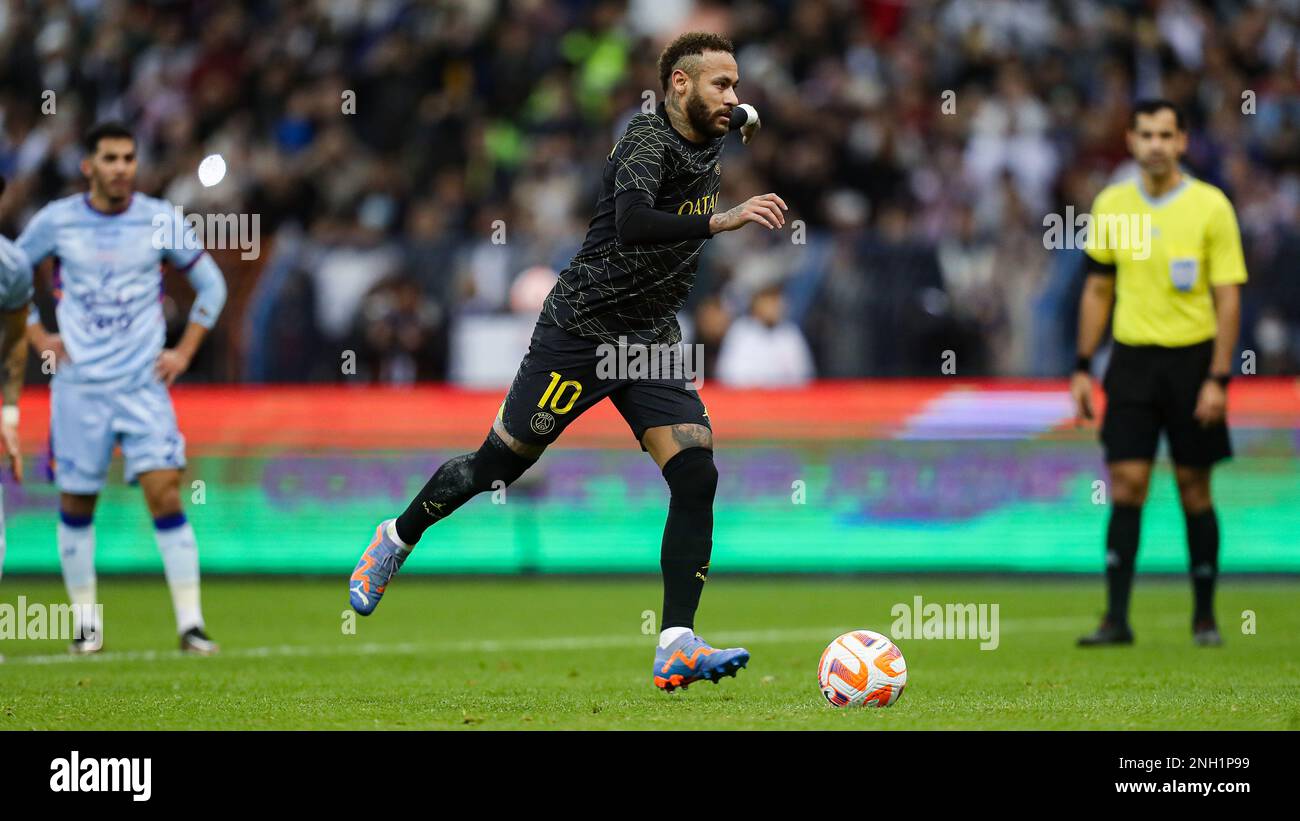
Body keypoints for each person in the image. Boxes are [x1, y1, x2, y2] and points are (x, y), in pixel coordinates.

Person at [349, 32, 785, 691]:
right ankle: (396, 537)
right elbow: (633, 221)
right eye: (721, 85)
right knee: (498, 466)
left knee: (696, 473)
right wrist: (718, 222)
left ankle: (676, 642)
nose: (734, 97)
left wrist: (746, 116)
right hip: (581, 331)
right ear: (679, 85)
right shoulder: (645, 140)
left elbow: (744, 114)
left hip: (647, 340)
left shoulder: (717, 124)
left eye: (737, 87)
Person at [18, 123, 228, 655]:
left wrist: (184, 352)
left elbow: (212, 285)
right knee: (77, 502)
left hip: (142, 386)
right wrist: (38, 335)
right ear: (88, 165)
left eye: (129, 158)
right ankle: (86, 626)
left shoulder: (160, 218)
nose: (120, 168)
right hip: (79, 388)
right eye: (110, 158)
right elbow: (9, 276)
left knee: (165, 492)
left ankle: (191, 625)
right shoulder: (57, 220)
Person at [1070, 100, 1246, 648]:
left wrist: (1219, 378)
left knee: (1194, 487)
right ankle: (1116, 619)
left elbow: (1228, 297)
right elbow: (1098, 287)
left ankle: (1205, 617)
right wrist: (1082, 366)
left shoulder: (1211, 206)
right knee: (1127, 483)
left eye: (1166, 135)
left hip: (1193, 361)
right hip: (1131, 361)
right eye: (1146, 134)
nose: (1155, 145)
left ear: (1183, 142)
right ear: (1130, 140)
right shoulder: (1111, 204)